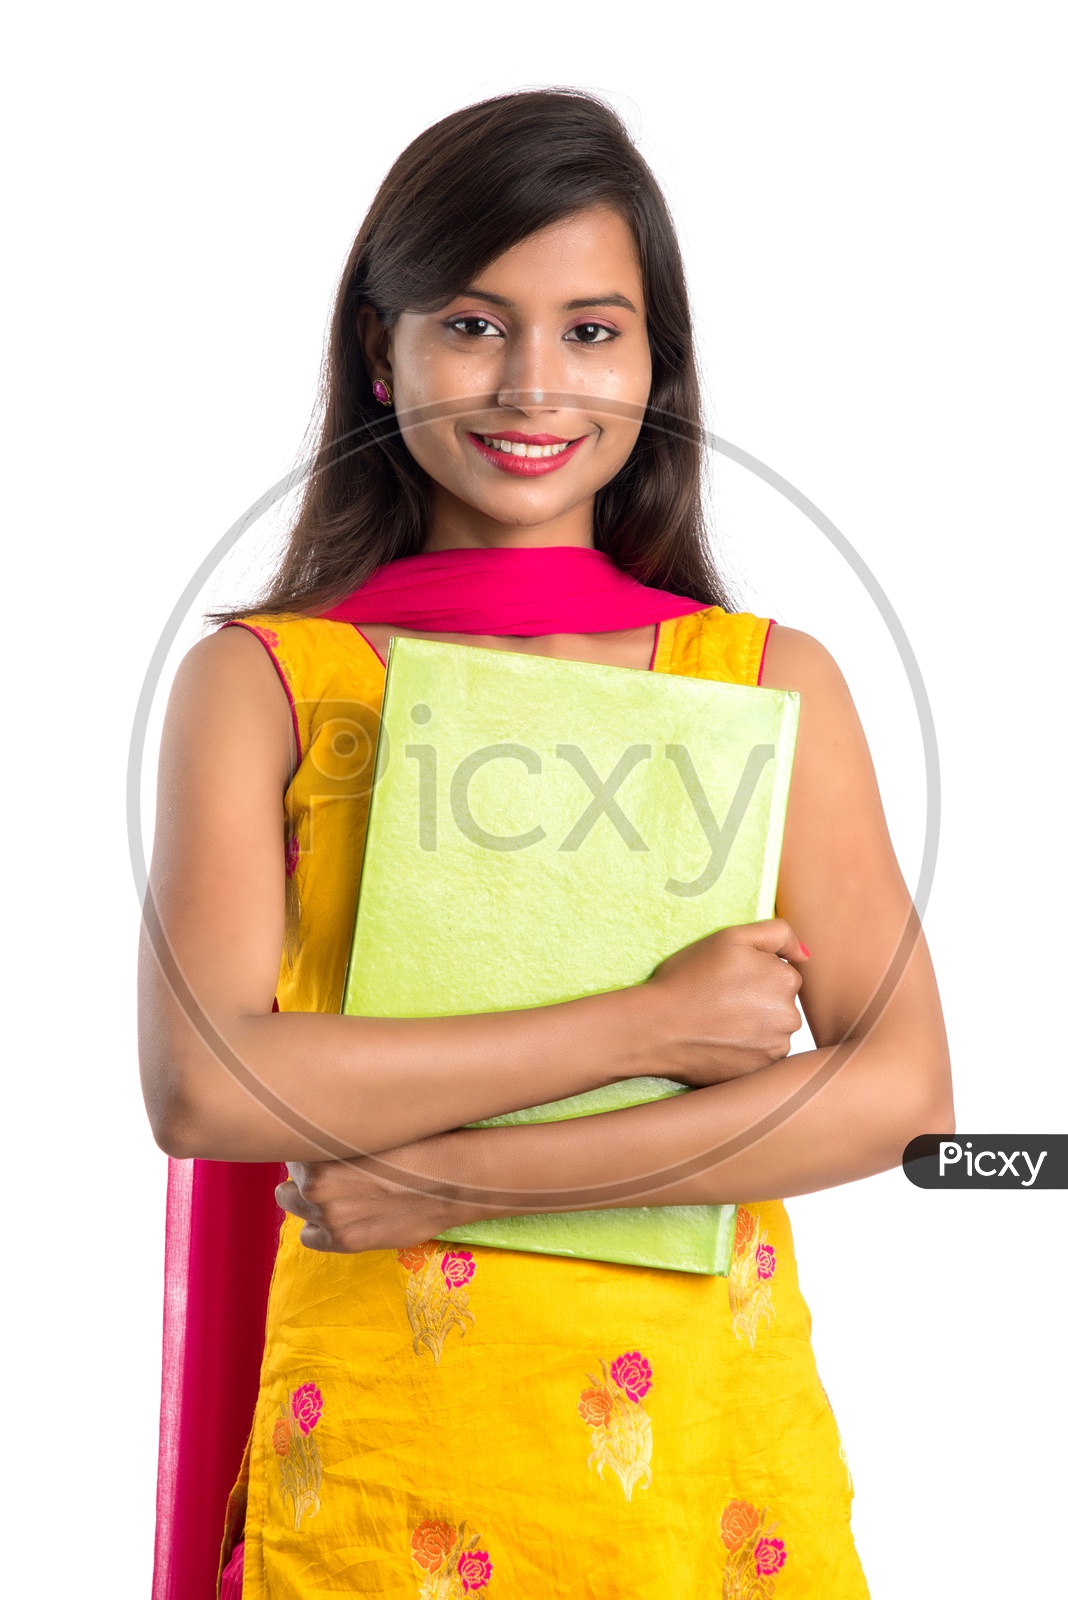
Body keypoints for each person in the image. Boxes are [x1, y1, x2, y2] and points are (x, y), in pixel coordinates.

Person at [140, 89, 953, 1600]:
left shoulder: (761, 684)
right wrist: (648, 1024)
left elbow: (901, 1094)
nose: (531, 385)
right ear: (378, 354)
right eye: (469, 322)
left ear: (657, 367)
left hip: (697, 1476)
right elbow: (209, 1083)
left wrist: (460, 1186)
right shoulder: (275, 685)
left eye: (592, 330)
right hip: (386, 1463)